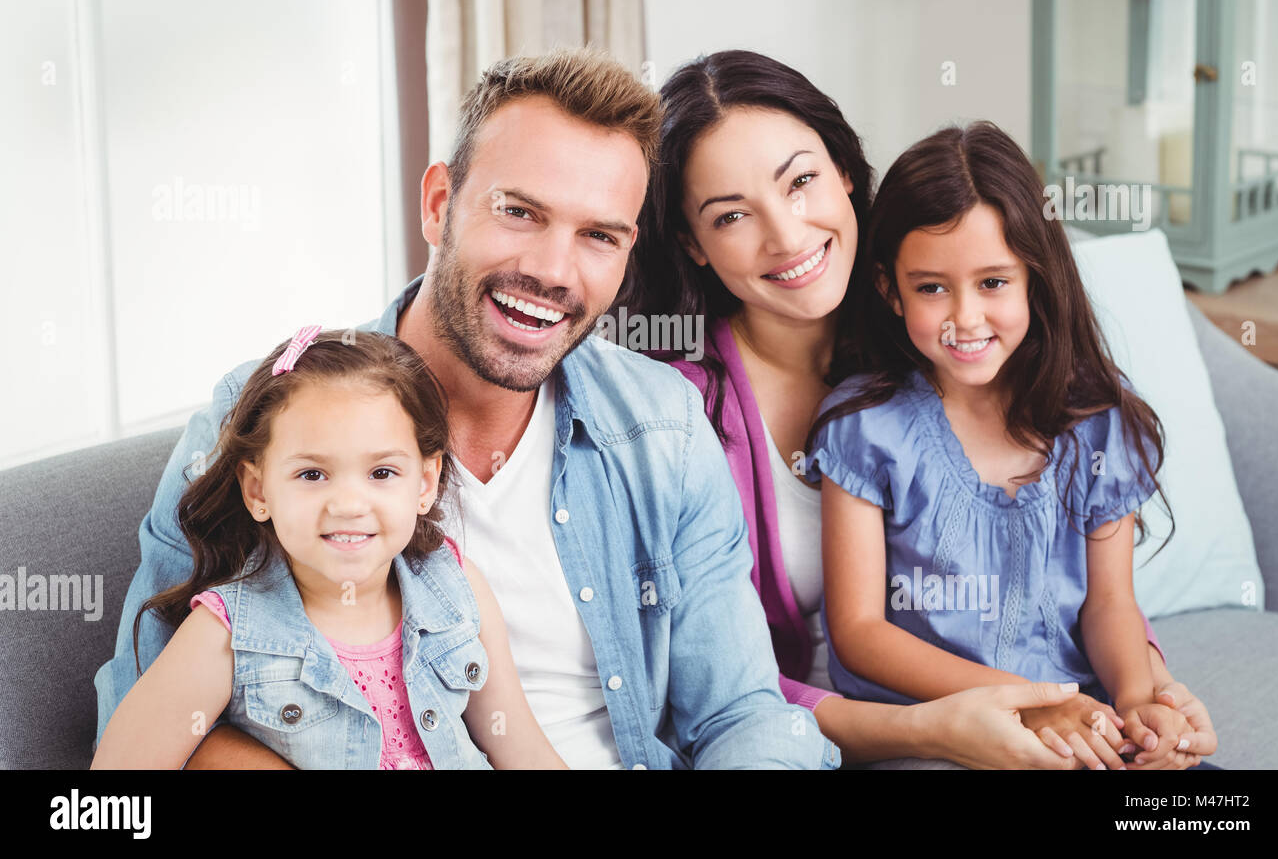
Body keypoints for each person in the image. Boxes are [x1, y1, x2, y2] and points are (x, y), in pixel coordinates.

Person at [95, 47, 837, 769]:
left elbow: (741, 713)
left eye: (597, 236)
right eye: (518, 211)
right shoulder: (268, 421)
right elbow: (149, 722)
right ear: (440, 203)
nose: (551, 270)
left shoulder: (665, 428)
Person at [622, 50, 1216, 768]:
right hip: (828, 736)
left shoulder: (933, 346)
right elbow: (709, 684)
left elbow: (1075, 586)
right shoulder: (676, 415)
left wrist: (1146, 692)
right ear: (693, 244)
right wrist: (959, 724)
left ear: (845, 171)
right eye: (733, 216)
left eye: (801, 182)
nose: (785, 236)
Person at [807, 121, 1209, 770]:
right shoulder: (865, 429)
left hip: (1078, 723)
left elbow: (1110, 602)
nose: (965, 317)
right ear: (889, 288)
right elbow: (859, 636)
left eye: (993, 283)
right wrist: (1029, 701)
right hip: (937, 734)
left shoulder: (1095, 418)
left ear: (1034, 279)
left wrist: (1140, 701)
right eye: (931, 287)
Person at [92, 329, 563, 769]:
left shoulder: (454, 586)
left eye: (381, 473)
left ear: (425, 482)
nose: (349, 505)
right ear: (258, 491)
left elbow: (522, 747)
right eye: (312, 475)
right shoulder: (223, 635)